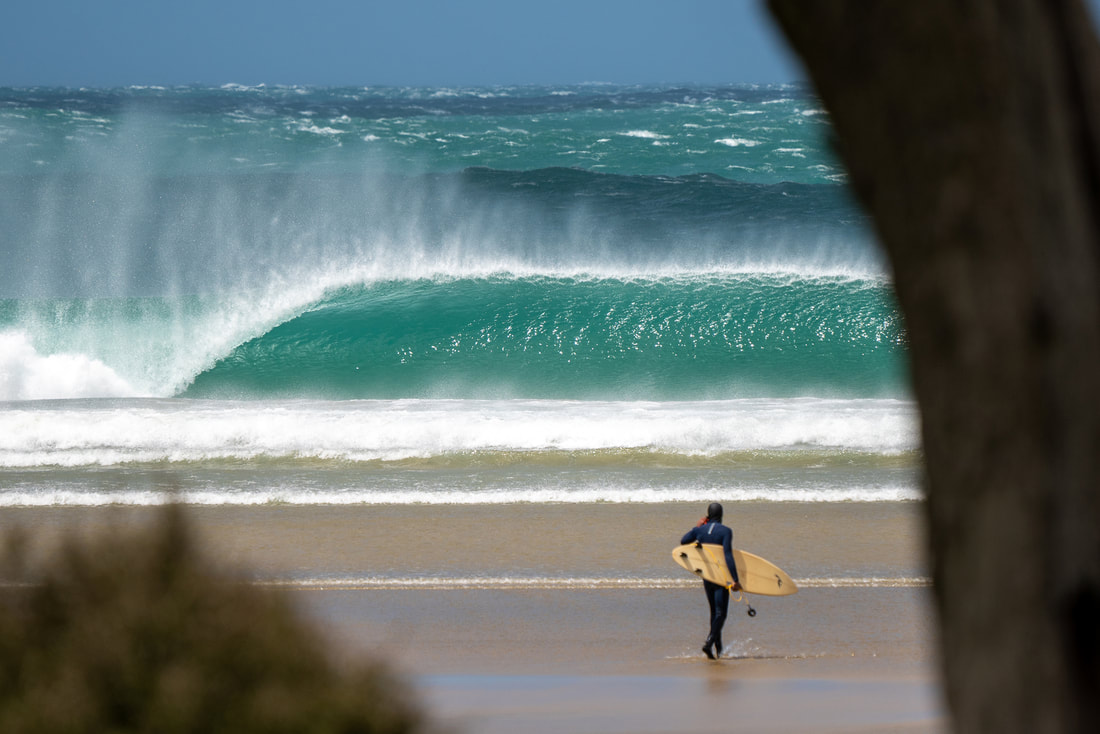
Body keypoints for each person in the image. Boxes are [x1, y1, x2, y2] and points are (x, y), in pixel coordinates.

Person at [680, 502, 740, 659]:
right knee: (721, 614)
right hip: (721, 577)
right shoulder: (726, 531)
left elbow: (683, 541)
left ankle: (718, 651)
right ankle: (708, 643)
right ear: (721, 515)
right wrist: (735, 579)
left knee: (714, 613)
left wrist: (697, 526)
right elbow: (727, 555)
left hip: (707, 576)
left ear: (708, 516)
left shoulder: (700, 530)